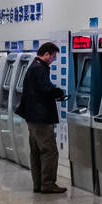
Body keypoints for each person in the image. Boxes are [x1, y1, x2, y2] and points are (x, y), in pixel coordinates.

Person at [14, 42, 66, 194]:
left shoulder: (32, 66)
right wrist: (58, 92)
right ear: (47, 54)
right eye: (53, 57)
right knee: (50, 151)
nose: (54, 60)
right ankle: (48, 184)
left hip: (32, 117)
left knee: (36, 152)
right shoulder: (40, 68)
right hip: (41, 118)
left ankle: (38, 184)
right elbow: (45, 89)